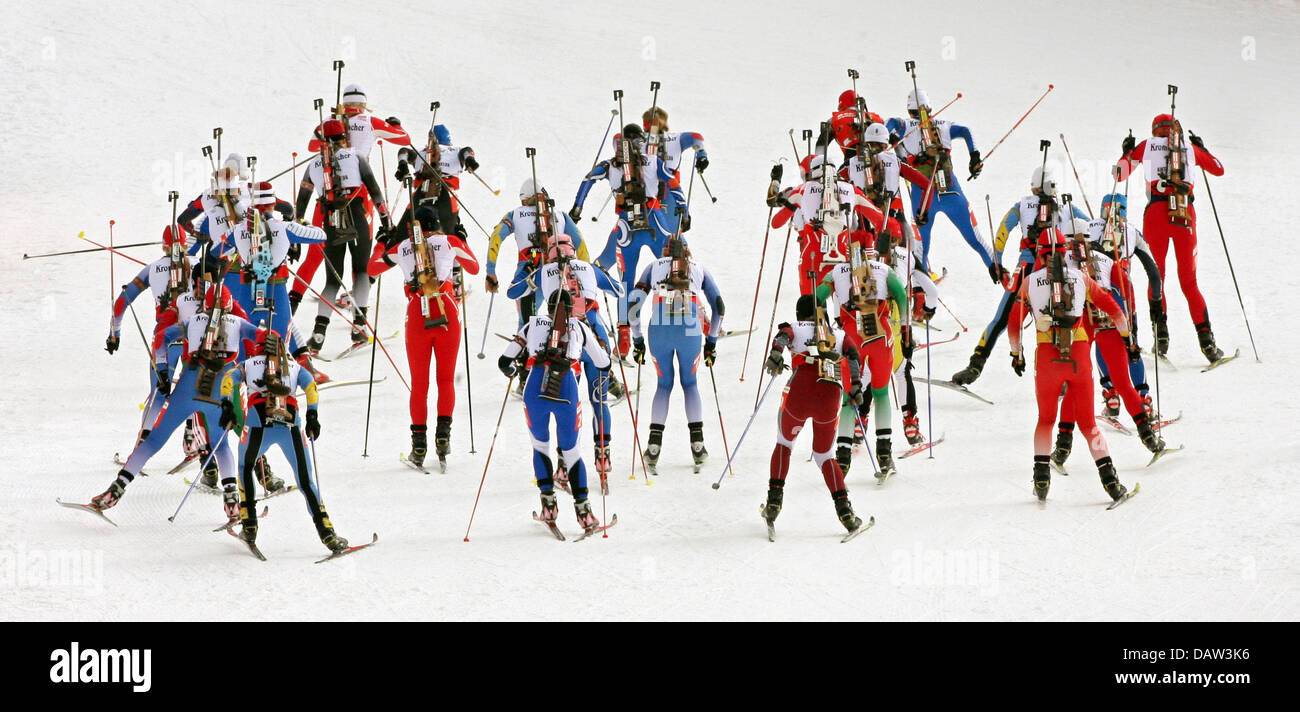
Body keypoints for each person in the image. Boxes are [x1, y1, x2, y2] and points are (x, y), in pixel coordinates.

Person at [90, 258, 259, 518]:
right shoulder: (238, 321)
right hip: (218, 391)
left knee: (155, 439)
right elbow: (267, 340)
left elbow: (162, 336)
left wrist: (162, 370)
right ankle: (232, 502)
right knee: (221, 445)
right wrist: (250, 374)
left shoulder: (191, 316)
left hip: (188, 384)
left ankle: (115, 490)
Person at [1007, 229, 1132, 503]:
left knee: (1046, 420)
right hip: (1077, 356)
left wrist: (1017, 354)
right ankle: (1111, 483)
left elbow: (1013, 323)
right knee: (1089, 425)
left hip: (1048, 360)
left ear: (1039, 253)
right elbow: (1113, 308)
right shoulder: (1081, 277)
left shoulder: (1029, 282)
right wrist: (1126, 337)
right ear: (1065, 253)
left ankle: (1041, 478)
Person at [952, 164, 1090, 386]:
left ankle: (975, 364)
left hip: (1026, 267)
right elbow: (1088, 226)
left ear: (1034, 187)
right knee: (1061, 316)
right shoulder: (1067, 206)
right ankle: (1064, 372)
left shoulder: (1022, 205)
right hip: (1059, 268)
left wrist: (996, 261)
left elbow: (1003, 230)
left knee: (1003, 318)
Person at [368, 205, 480, 472]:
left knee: (420, 383)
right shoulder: (449, 241)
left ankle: (419, 444)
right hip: (447, 312)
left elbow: (372, 269)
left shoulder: (404, 246)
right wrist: (462, 239)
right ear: (438, 223)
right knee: (445, 378)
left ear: (412, 227)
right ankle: (443, 437)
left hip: (417, 312)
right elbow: (473, 268)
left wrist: (382, 243)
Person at [507, 231, 623, 484]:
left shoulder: (543, 270)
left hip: (561, 337)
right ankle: (603, 458)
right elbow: (619, 290)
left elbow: (513, 293)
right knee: (598, 400)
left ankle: (562, 465)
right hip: (593, 331)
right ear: (572, 249)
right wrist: (595, 277)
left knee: (567, 402)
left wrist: (528, 268)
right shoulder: (589, 267)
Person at [498, 289, 612, 535]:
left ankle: (548, 506)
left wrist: (514, 369)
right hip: (567, 390)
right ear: (571, 309)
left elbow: (504, 361)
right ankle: (584, 513)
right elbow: (603, 362)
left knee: (540, 446)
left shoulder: (532, 323)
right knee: (571, 452)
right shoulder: (580, 327)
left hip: (535, 391)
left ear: (547, 308)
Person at [290, 84, 409, 313]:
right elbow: (404, 139)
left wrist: (331, 132)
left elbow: (312, 146)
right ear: (363, 104)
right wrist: (396, 125)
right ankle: (358, 315)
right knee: (360, 256)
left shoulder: (329, 121)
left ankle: (292, 304)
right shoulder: (369, 121)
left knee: (316, 253)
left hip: (327, 193)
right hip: (359, 193)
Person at [1117, 115, 1226, 363]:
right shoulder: (1189, 148)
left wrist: (1126, 152)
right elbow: (1219, 169)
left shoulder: (1147, 145)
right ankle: (1207, 341)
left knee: (1158, 278)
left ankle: (1161, 337)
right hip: (1185, 215)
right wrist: (1203, 149)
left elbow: (1119, 175)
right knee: (1189, 282)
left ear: (1155, 130)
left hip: (1155, 215)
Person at [230, 328, 347, 553]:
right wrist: (313, 414)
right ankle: (327, 533)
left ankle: (250, 524)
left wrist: (227, 405)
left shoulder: (249, 363)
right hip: (290, 426)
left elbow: (228, 380)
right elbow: (311, 387)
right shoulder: (294, 366)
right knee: (306, 480)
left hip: (257, 425)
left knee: (245, 467)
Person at [760, 294, 867, 536]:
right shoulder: (838, 334)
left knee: (784, 443)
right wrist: (857, 385)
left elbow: (781, 337)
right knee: (824, 455)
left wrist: (776, 355)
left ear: (800, 313)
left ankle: (774, 502)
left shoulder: (795, 327)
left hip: (799, 391)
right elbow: (853, 355)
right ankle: (845, 511)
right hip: (829, 396)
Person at [570, 123, 678, 356]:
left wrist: (577, 209)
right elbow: (672, 180)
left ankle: (624, 337)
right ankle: (703, 319)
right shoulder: (650, 161)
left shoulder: (609, 165)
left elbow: (588, 179)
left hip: (625, 228)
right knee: (677, 267)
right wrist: (684, 211)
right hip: (654, 222)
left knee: (623, 282)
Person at [627, 236, 724, 473]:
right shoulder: (698, 268)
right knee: (690, 383)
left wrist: (637, 339)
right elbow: (719, 307)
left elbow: (632, 305)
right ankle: (698, 445)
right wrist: (711, 342)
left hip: (659, 327)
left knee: (663, 385)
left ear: (664, 251)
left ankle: (653, 447)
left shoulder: (653, 267)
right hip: (690, 327)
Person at [294, 118, 392, 353]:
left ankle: (318, 334)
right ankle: (359, 327)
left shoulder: (313, 165)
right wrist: (387, 222)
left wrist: (296, 232)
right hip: (357, 215)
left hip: (330, 220)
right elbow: (375, 190)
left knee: (331, 279)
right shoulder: (356, 156)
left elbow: (302, 203)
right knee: (361, 270)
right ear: (343, 138)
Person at [816, 232, 909, 476]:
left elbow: (817, 297)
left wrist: (822, 324)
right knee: (880, 393)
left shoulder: (836, 272)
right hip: (880, 335)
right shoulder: (882, 269)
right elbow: (901, 295)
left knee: (849, 397)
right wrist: (906, 330)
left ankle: (843, 458)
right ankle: (884, 454)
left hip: (850, 338)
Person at [106, 225, 198, 444]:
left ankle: (143, 441)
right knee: (196, 390)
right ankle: (193, 437)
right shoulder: (196, 264)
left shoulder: (152, 269)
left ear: (164, 246)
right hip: (194, 338)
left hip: (163, 340)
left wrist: (114, 334)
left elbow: (121, 303)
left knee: (159, 392)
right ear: (185, 244)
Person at [886, 88, 994, 271]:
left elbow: (888, 123)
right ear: (929, 107)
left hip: (922, 197)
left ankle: (921, 289)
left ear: (909, 110)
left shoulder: (905, 125)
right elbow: (966, 131)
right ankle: (999, 271)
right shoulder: (943, 124)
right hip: (952, 192)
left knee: (921, 248)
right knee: (976, 239)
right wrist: (974, 156)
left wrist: (893, 137)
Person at [487, 179, 591, 328]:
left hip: (530, 272)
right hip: (561, 271)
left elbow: (495, 238)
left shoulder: (515, 214)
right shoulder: (561, 215)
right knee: (568, 319)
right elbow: (581, 246)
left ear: (524, 200)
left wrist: (490, 272)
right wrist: (584, 275)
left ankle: (525, 347)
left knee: (526, 323)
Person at [640, 106, 707, 236]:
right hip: (670, 190)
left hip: (646, 191)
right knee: (672, 235)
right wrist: (701, 155)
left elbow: (618, 139)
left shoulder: (639, 138)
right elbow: (696, 137)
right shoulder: (676, 137)